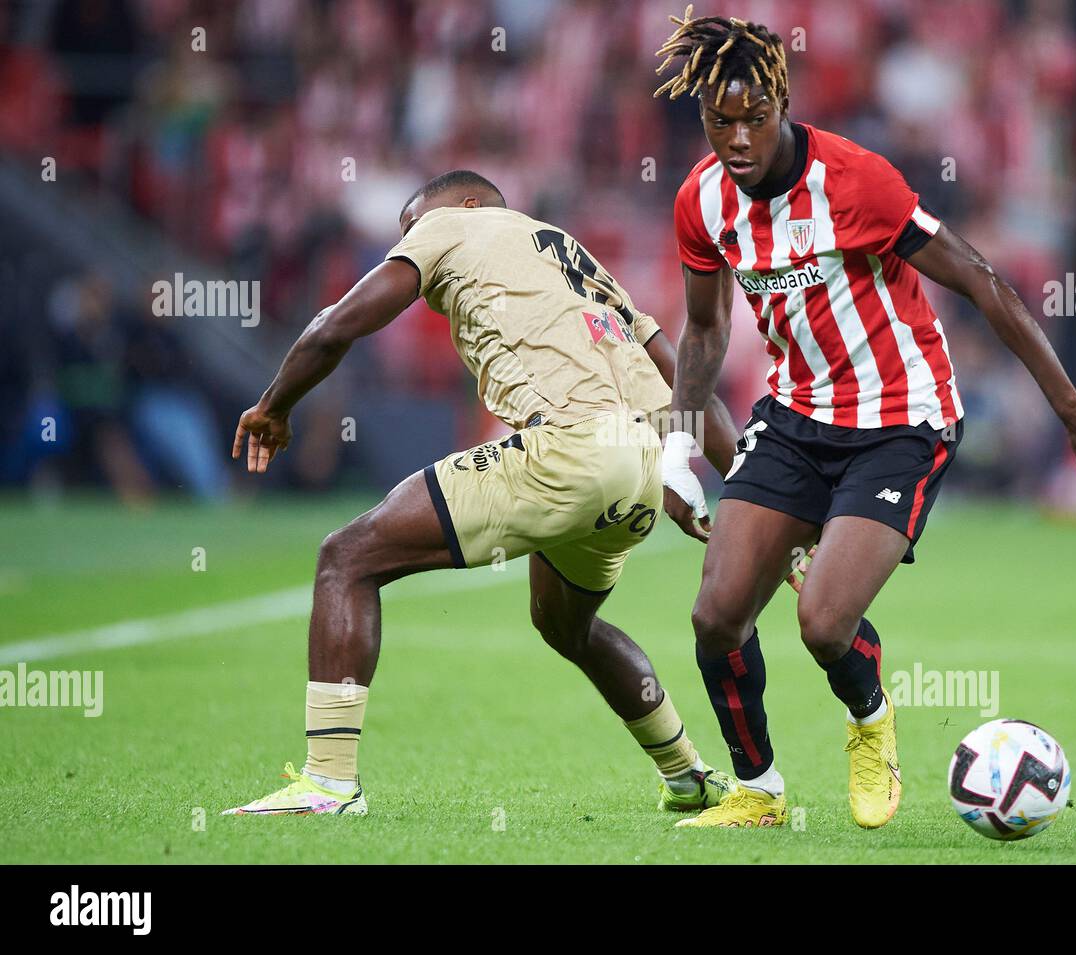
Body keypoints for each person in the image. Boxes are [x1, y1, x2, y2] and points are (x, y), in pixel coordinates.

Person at [652, 7, 1076, 828]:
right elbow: (701, 329)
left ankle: (870, 719)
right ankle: (757, 791)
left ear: (783, 104)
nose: (735, 139)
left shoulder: (854, 180)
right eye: (717, 121)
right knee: (716, 614)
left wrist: (1069, 406)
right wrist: (675, 450)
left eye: (752, 119)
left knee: (823, 622)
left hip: (902, 420)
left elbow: (981, 279)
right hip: (796, 415)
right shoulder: (702, 201)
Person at [223, 169, 739, 816]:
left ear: (466, 204)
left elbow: (335, 325)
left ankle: (328, 782)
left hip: (572, 452)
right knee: (564, 622)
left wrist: (274, 406)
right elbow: (690, 383)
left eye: (411, 225)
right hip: (639, 467)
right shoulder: (575, 260)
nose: (406, 242)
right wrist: (747, 492)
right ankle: (687, 772)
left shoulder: (451, 225)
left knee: (347, 557)